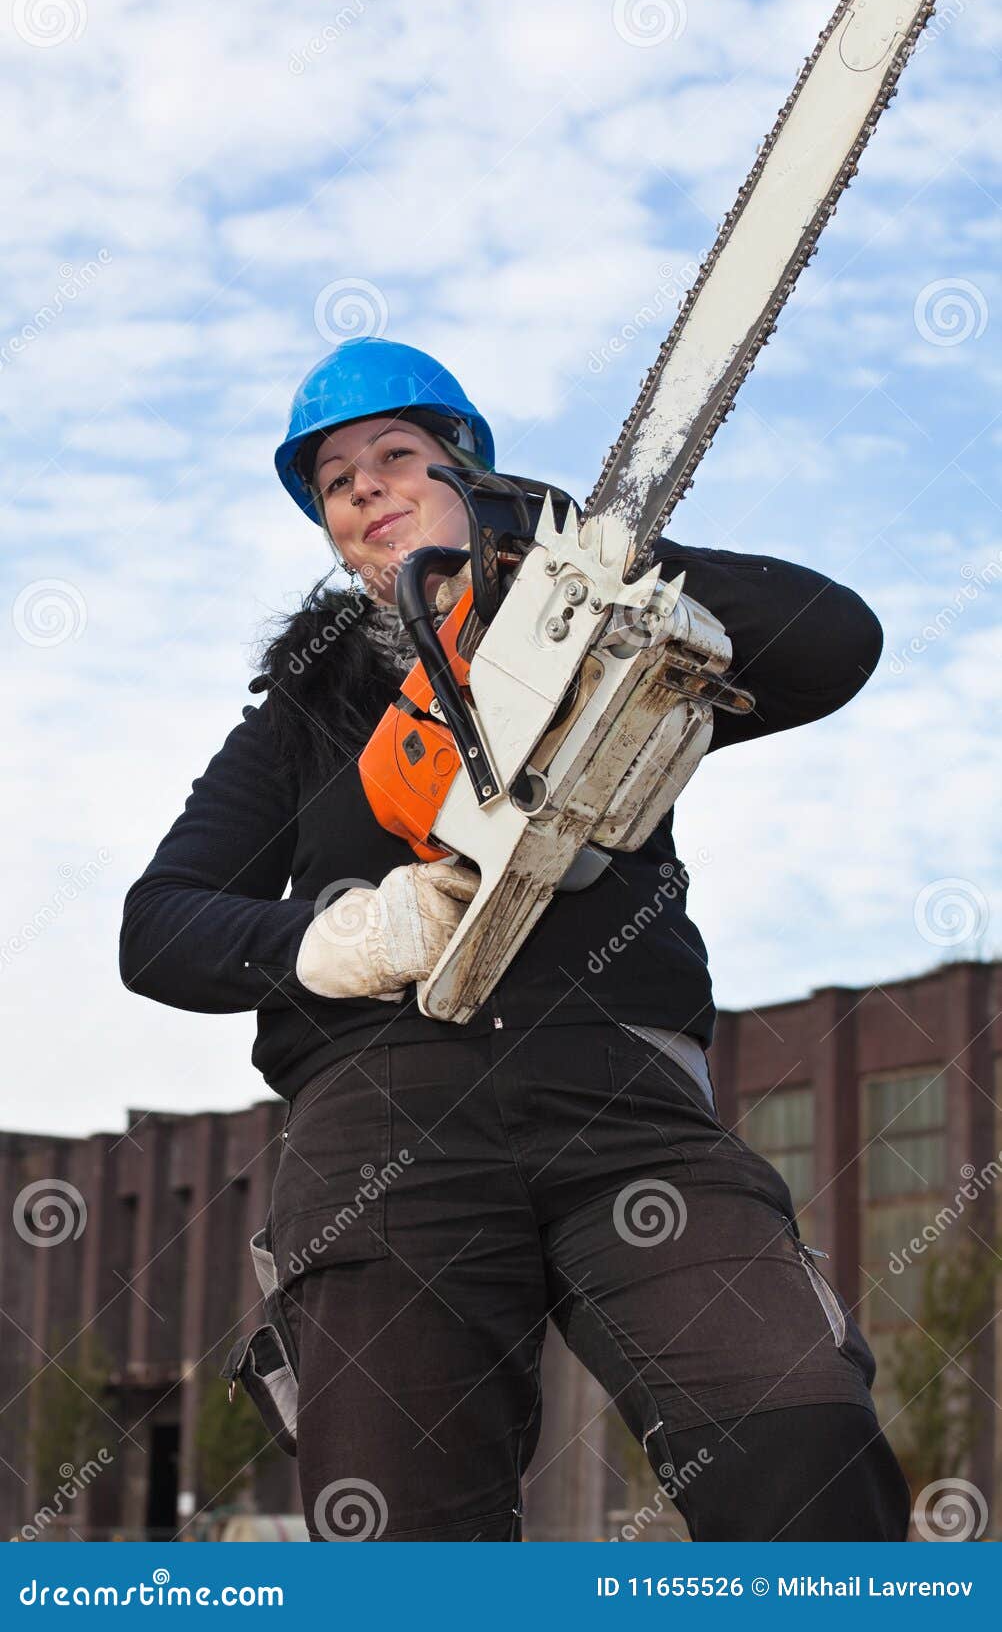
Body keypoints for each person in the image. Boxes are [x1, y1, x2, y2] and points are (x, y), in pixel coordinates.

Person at [120, 336, 912, 1542]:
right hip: (386, 1123)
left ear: (471, 474)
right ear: (328, 531)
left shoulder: (602, 653)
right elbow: (158, 927)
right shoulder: (306, 708)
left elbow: (830, 637)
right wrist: (344, 938)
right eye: (338, 482)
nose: (369, 487)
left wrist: (591, 574)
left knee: (798, 1443)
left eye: (399, 456)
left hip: (624, 1101)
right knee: (399, 1535)